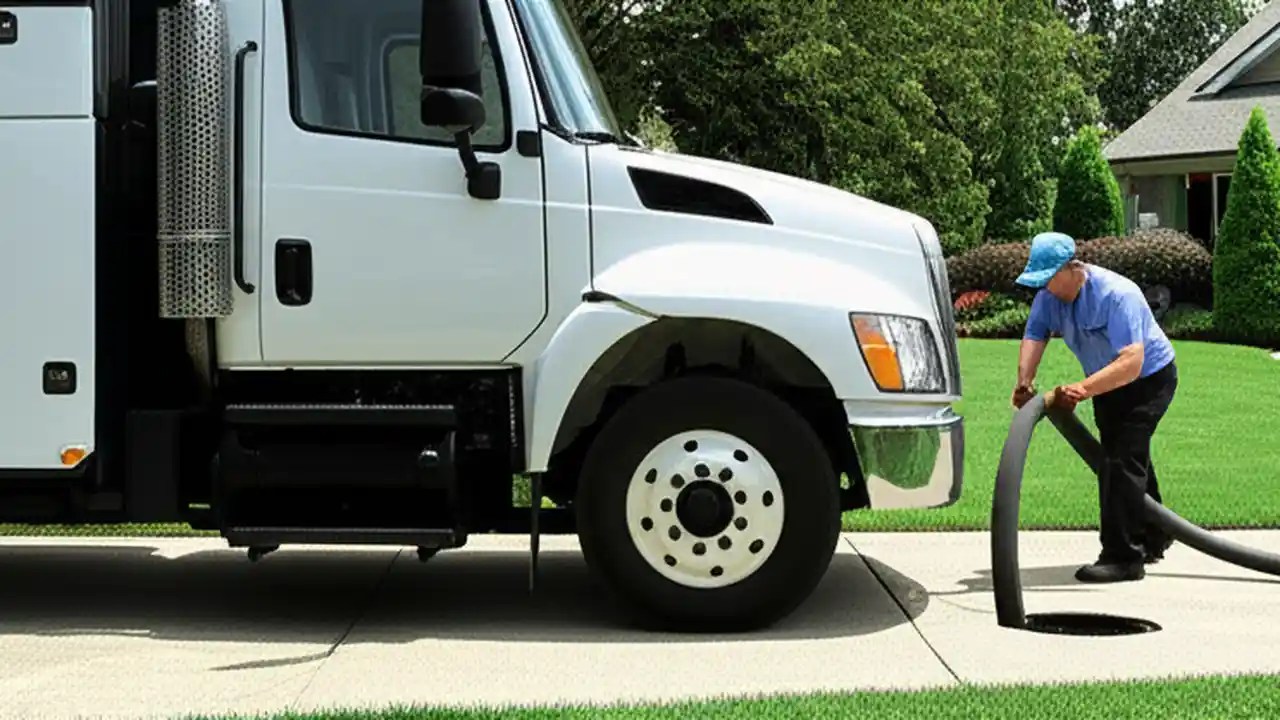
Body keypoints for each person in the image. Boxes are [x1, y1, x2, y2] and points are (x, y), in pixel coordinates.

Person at [1011, 231, 1179, 583]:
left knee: (1120, 460)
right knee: (1127, 458)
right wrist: (1025, 381)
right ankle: (1155, 534)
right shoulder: (1048, 298)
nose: (1046, 288)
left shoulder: (1116, 295)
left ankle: (1123, 558)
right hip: (1107, 382)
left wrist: (1082, 389)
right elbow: (1034, 336)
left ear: (1073, 267)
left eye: (1049, 278)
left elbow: (1132, 362)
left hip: (1149, 379)